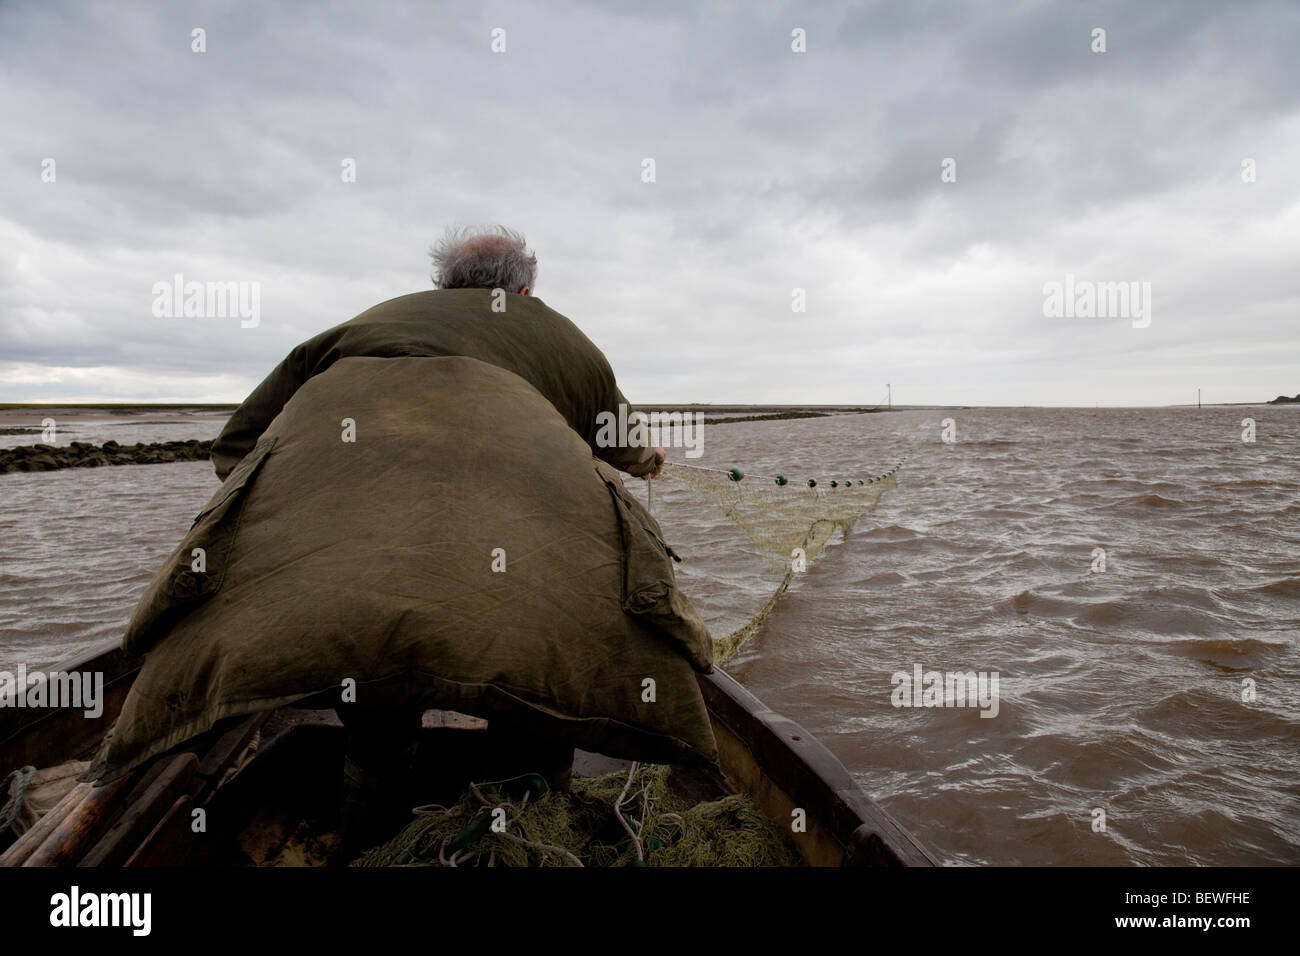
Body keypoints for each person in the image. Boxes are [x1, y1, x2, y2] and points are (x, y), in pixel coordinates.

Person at [92, 225, 716, 854]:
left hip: (341, 585)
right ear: (524, 288)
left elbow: (235, 448)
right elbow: (626, 445)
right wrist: (650, 457)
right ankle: (530, 829)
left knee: (372, 718)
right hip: (513, 588)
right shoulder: (557, 336)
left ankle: (369, 841)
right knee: (539, 697)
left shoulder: (359, 328)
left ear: (442, 282)